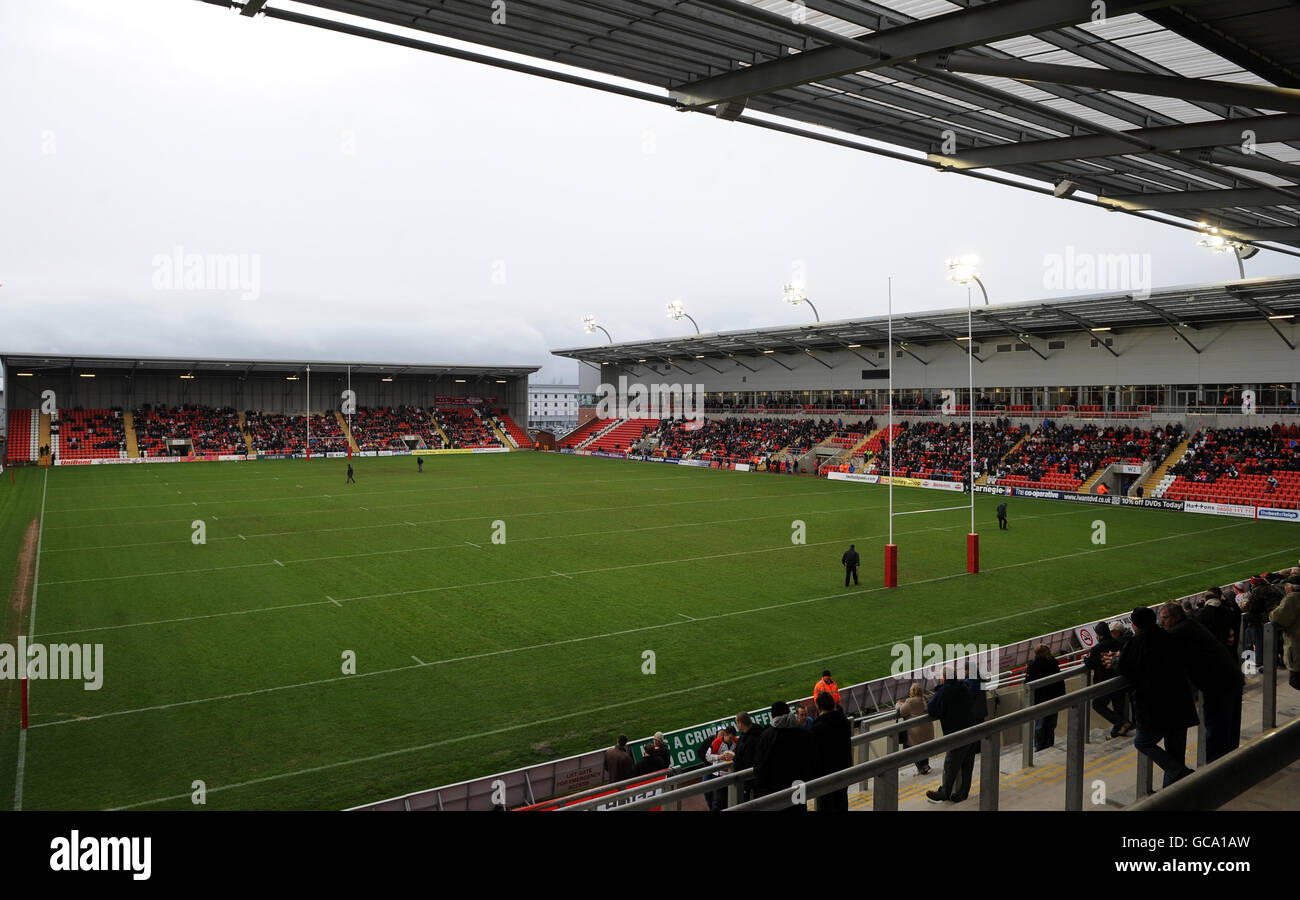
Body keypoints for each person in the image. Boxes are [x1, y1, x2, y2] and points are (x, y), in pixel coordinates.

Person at [1105, 606, 1198, 788]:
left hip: (1157, 708)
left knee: (1142, 742)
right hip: (1180, 702)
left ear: (1135, 624)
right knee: (1175, 751)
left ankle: (1180, 773)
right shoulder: (1167, 635)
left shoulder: (1138, 641)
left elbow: (1127, 668)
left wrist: (1116, 660)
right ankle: (1172, 794)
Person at [1159, 601, 1242, 763]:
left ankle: (1215, 772)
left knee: (1217, 731)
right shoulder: (1190, 624)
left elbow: (1157, 651)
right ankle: (1229, 766)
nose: (1162, 622)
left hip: (1219, 684)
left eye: (1165, 618)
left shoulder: (1179, 632)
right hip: (1229, 679)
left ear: (1176, 618)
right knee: (1227, 730)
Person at [925, 667, 978, 803]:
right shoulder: (963, 687)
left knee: (950, 764)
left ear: (944, 678)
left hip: (957, 733)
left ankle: (945, 792)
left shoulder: (944, 691)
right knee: (967, 765)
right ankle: (963, 793)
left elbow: (932, 709)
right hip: (972, 729)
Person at [753, 701, 818, 806]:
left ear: (773, 716)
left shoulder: (767, 736)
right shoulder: (804, 732)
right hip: (798, 785)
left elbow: (759, 765)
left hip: (774, 788)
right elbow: (813, 758)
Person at [1084, 623, 1130, 738]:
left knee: (1097, 704)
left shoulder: (1097, 649)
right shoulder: (1119, 643)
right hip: (1120, 680)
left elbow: (1090, 663)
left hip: (1104, 682)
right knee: (1118, 706)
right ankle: (1117, 731)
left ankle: (1121, 723)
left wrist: (1085, 659)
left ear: (1098, 635)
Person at [810, 690, 851, 811]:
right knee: (842, 803)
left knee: (826, 806)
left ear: (818, 706)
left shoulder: (817, 728)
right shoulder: (844, 722)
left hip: (825, 776)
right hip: (844, 771)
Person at [1024, 644, 1066, 751]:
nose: (1051, 654)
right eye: (1048, 652)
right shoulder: (1033, 666)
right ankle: (1040, 747)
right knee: (1042, 725)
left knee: (1050, 724)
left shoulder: (1052, 662)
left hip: (1051, 698)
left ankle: (1047, 746)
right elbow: (1028, 683)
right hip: (1041, 700)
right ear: (1042, 654)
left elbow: (1060, 680)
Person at [895, 683, 933, 775]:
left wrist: (897, 704)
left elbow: (901, 711)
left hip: (917, 733)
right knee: (923, 746)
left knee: (908, 746)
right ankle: (925, 764)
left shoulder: (910, 702)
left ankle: (921, 767)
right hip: (928, 732)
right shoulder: (926, 699)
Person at [1270, 582, 1300, 691]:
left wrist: (1274, 611)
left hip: (1296, 646)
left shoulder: (1292, 598)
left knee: (1295, 681)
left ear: (1290, 588)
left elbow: (1276, 617)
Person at [732, 711, 766, 801]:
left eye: (737, 723)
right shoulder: (746, 734)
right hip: (751, 779)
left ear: (740, 723)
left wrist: (733, 757)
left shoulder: (751, 738)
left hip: (750, 781)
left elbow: (747, 762)